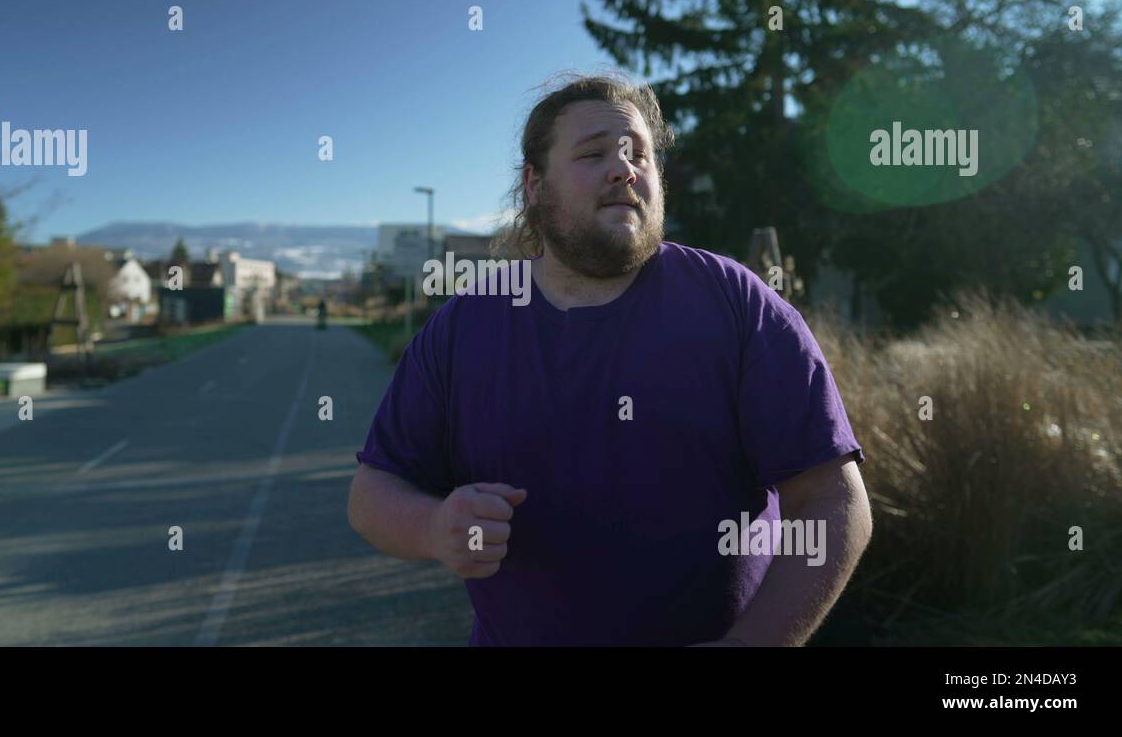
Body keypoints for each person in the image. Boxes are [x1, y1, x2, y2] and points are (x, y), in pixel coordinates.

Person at [347, 72, 872, 646]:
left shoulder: (735, 304)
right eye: (594, 153)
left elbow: (832, 499)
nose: (624, 169)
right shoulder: (465, 326)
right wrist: (433, 527)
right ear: (534, 185)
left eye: (639, 155)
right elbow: (373, 493)